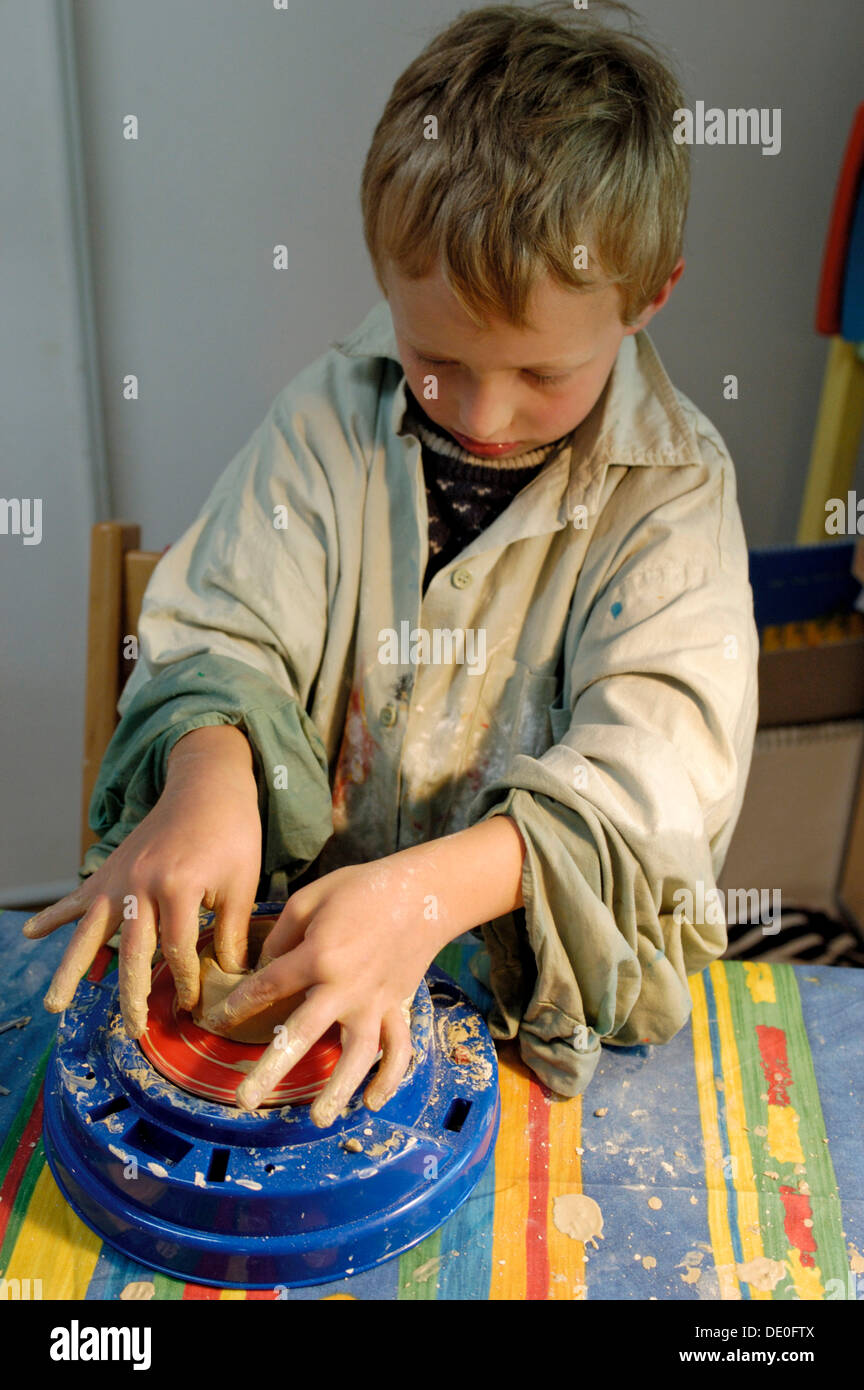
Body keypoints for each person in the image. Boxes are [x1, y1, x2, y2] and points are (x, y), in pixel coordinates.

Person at [23, 1, 758, 1129]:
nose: (483, 414)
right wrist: (209, 765)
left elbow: (653, 784)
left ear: (651, 293)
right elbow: (226, 630)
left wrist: (429, 896)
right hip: (298, 973)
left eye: (540, 374)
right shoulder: (328, 416)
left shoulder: (675, 496)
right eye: (437, 360)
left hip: (532, 1024)